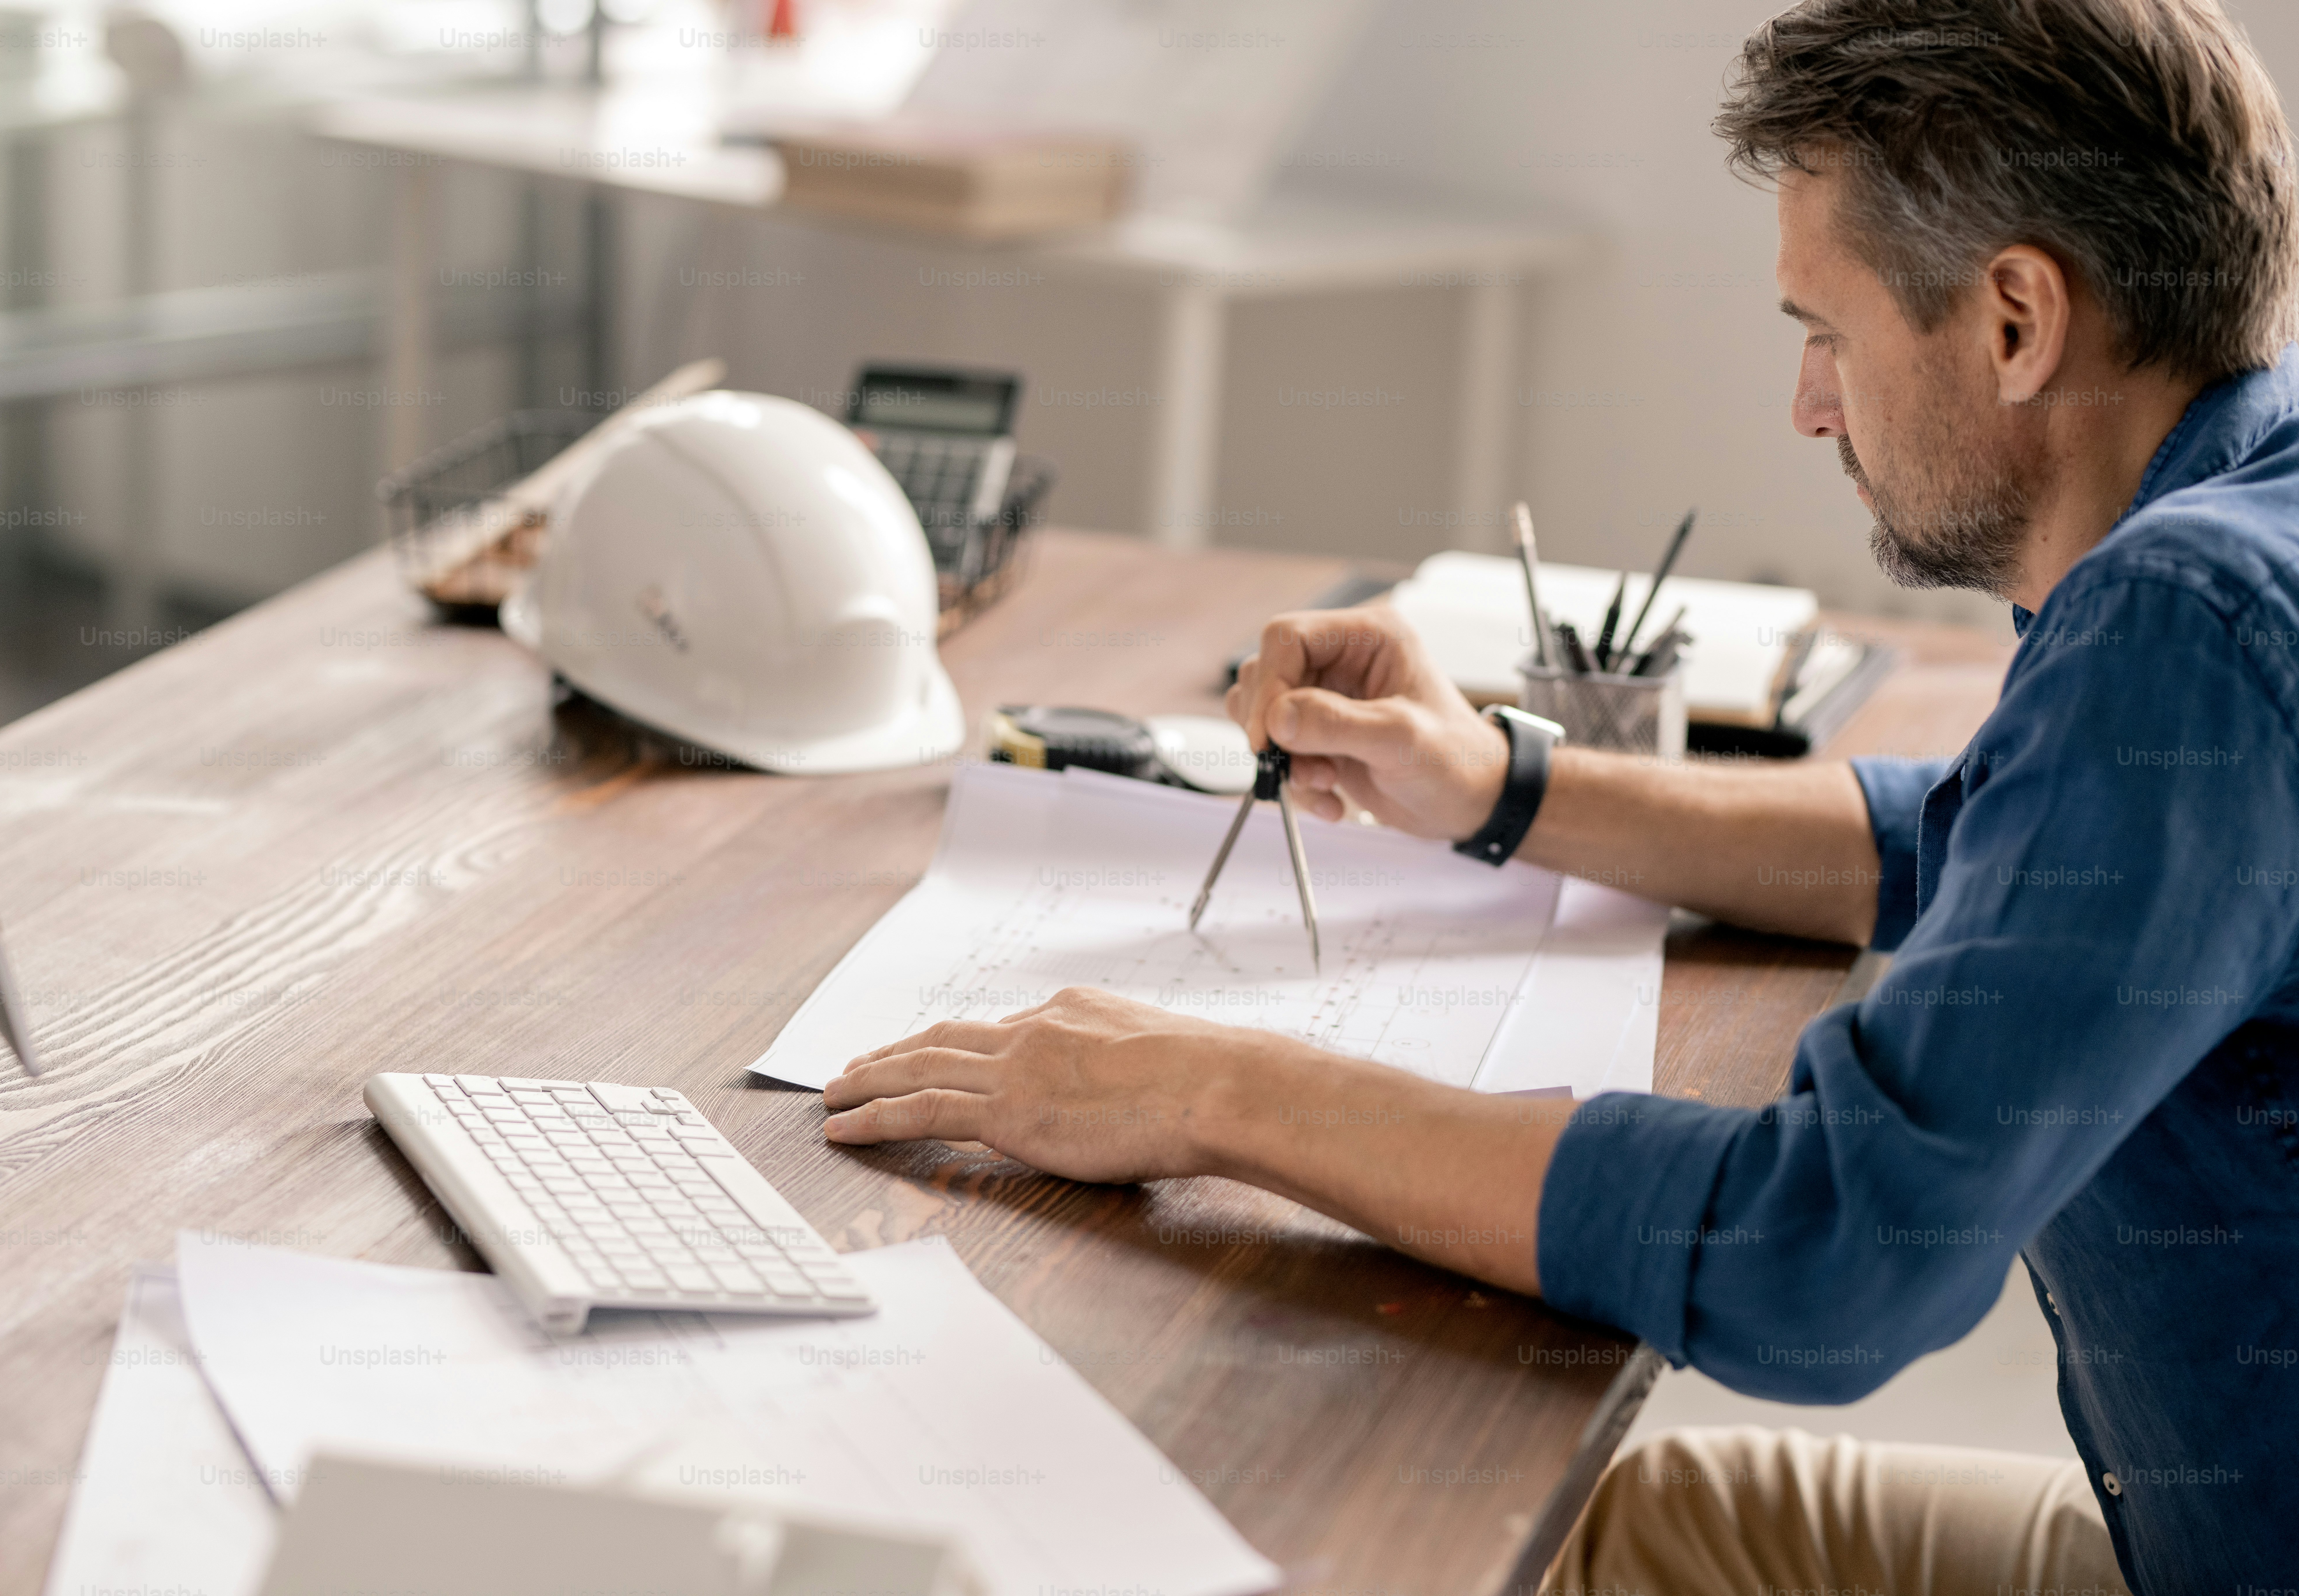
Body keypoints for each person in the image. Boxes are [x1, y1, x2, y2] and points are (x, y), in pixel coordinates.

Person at [821, 1, 2299, 1589]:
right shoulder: (2243, 528)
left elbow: (1828, 1252)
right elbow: (1947, 843)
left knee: (1463, 1540)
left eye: (1828, 332)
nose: (1809, 406)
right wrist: (1493, 785)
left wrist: (1210, 1094)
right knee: (1623, 1534)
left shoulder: (2187, 622)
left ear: (2015, 319)